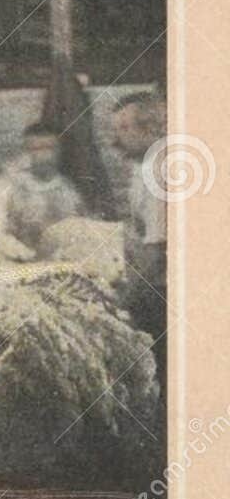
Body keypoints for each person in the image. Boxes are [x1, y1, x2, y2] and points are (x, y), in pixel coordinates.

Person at [112, 90, 167, 380]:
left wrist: (125, 301)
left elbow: (157, 250)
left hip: (159, 293)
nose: (117, 137)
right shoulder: (144, 167)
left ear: (149, 128)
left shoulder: (157, 172)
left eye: (124, 128)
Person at [0, 121, 86, 247]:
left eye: (49, 148)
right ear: (26, 151)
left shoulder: (69, 191)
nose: (44, 155)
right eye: (36, 149)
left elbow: (78, 230)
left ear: (59, 151)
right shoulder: (9, 187)